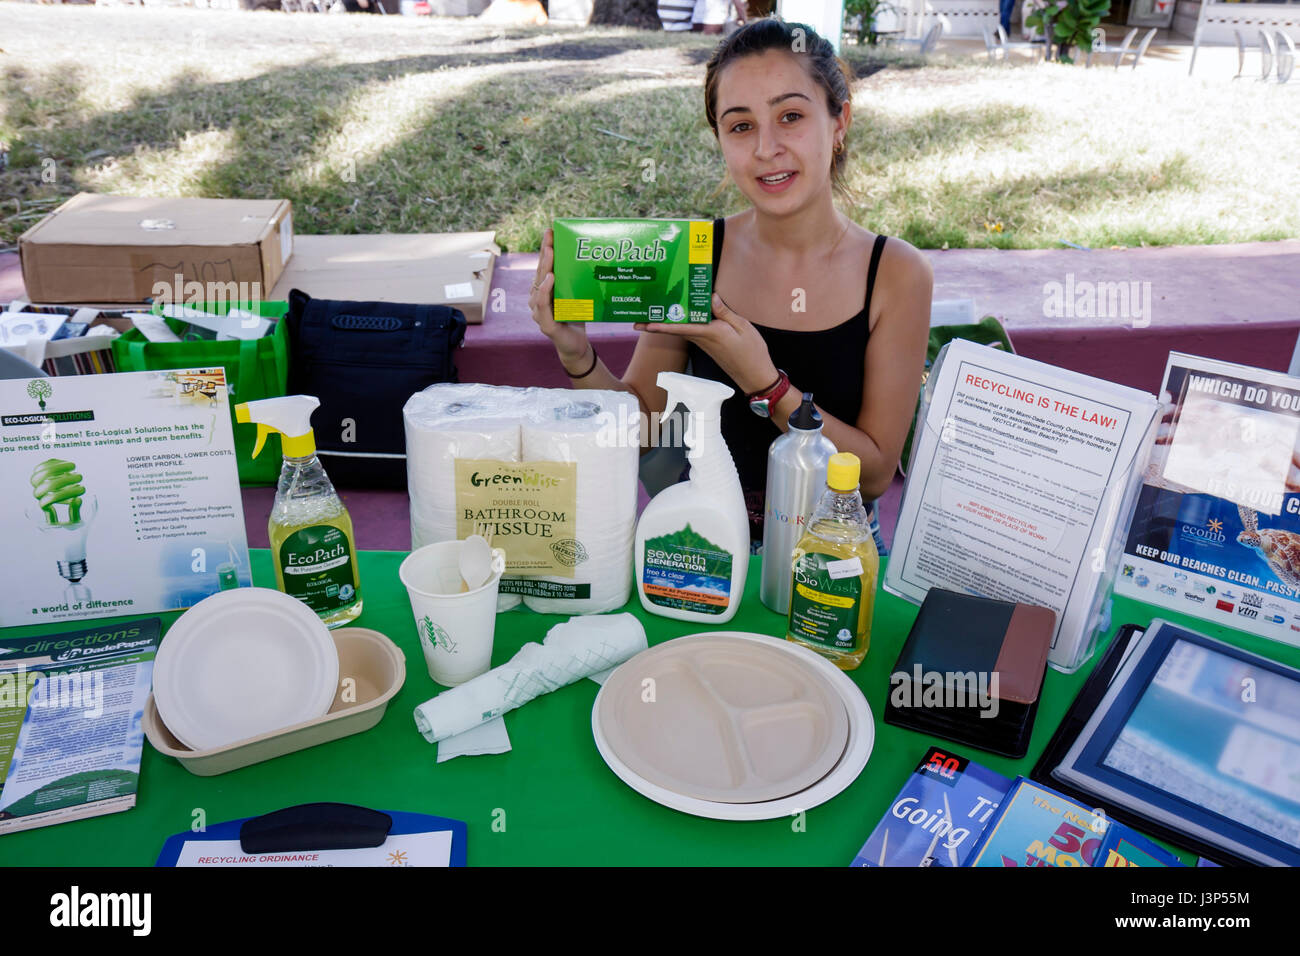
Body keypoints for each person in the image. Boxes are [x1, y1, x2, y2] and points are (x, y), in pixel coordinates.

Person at [529, 17, 932, 550]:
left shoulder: (895, 272)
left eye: (790, 116)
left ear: (839, 124)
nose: (766, 148)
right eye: (740, 126)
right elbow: (642, 434)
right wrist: (575, 351)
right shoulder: (697, 254)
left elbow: (875, 474)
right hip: (702, 551)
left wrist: (765, 383)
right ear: (720, 138)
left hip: (832, 561)